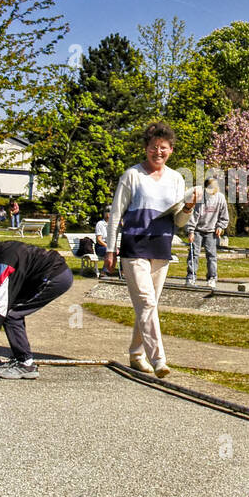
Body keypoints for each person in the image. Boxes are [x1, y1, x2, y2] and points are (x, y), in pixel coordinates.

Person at [104, 122, 197, 377]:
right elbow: (115, 215)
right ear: (146, 148)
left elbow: (178, 221)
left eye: (164, 148)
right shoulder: (132, 176)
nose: (158, 152)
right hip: (134, 247)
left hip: (161, 247)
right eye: (154, 147)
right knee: (146, 302)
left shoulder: (177, 179)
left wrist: (188, 209)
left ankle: (136, 355)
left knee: (149, 306)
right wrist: (110, 251)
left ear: (171, 150)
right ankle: (159, 360)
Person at [0, 222, 73, 379]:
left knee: (11, 314)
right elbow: (20, 267)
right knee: (12, 311)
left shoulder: (2, 262)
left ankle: (25, 364)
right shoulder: (4, 249)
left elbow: (1, 303)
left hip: (54, 277)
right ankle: (22, 359)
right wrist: (3, 278)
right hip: (54, 273)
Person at [185, 177, 229, 288]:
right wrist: (191, 231)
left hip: (211, 231)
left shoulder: (220, 198)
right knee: (193, 254)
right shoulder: (200, 198)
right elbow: (193, 216)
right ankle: (191, 277)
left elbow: (224, 216)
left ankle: (212, 278)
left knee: (211, 256)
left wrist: (220, 227)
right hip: (197, 230)